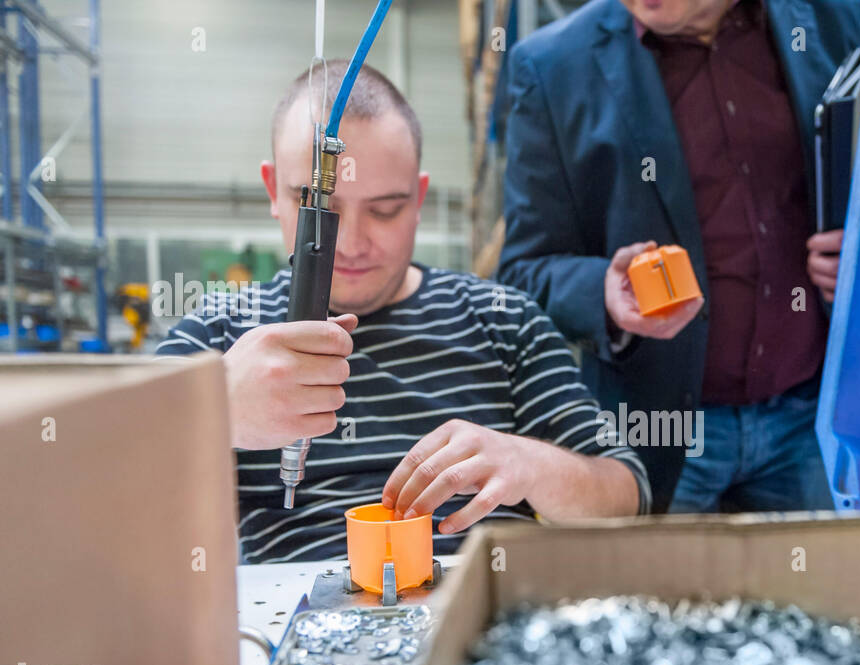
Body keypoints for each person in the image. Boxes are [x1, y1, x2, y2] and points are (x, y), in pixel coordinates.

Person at [157, 62, 648, 562]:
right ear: (271, 190)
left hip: (478, 615)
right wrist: (210, 410)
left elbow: (628, 496)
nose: (347, 244)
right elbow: (93, 489)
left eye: (386, 209)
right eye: (318, 205)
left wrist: (532, 464)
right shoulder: (217, 336)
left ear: (419, 197)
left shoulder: (503, 320)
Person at [497, 0, 860, 513]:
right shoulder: (552, 67)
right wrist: (602, 293)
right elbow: (524, 271)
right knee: (655, 594)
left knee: (810, 590)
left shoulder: (834, 16)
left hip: (812, 417)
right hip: (659, 429)